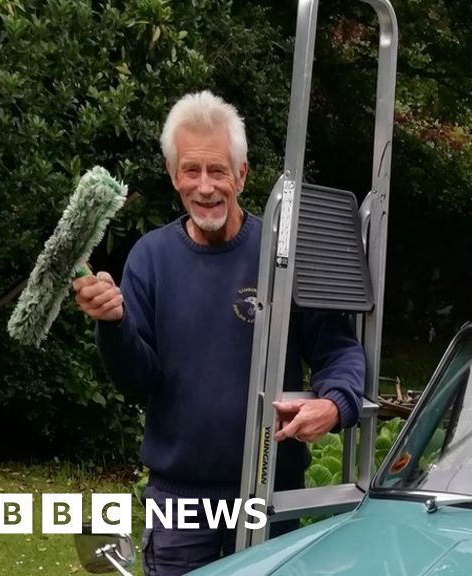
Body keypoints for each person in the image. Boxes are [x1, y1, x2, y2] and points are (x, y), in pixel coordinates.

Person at [72, 90, 365, 575]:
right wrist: (113, 324)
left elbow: (338, 348)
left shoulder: (282, 257)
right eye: (191, 170)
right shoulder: (151, 258)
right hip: (181, 502)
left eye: (218, 170)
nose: (205, 187)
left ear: (242, 175)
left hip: (270, 495)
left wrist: (335, 404)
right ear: (173, 175)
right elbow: (137, 380)